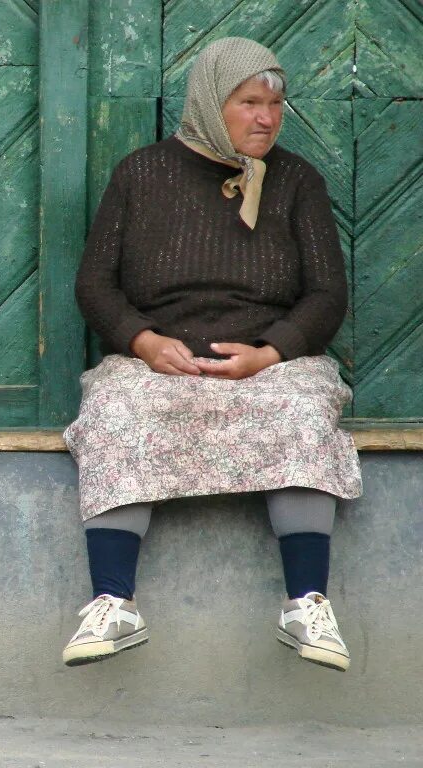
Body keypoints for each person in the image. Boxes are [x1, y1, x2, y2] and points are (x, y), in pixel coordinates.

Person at [62, 38, 362, 672]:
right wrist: (143, 341)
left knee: (304, 415)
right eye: (249, 102)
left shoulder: (298, 180)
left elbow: (328, 293)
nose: (266, 118)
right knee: (117, 411)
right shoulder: (141, 174)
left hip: (269, 364)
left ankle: (306, 602)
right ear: (208, 103)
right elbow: (96, 284)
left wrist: (271, 353)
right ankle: (113, 603)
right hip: (158, 361)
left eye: (275, 104)